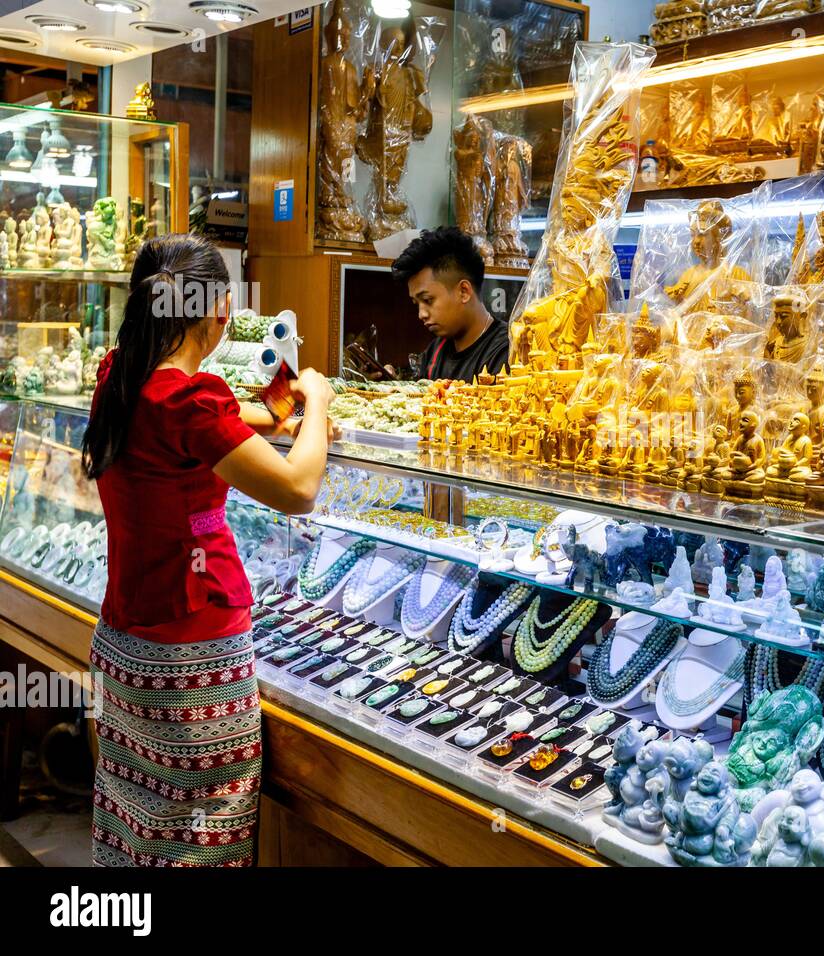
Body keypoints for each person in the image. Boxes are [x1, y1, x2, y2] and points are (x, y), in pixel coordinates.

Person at [81, 234, 337, 867]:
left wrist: (272, 414)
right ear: (219, 311)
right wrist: (321, 402)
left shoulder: (121, 378)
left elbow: (199, 424)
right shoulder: (189, 402)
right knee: (200, 840)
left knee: (138, 827)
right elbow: (299, 488)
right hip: (192, 662)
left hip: (122, 650)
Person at [393, 225, 509, 382]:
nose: (421, 314)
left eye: (428, 300)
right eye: (416, 303)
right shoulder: (435, 352)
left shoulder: (505, 352)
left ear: (464, 291)